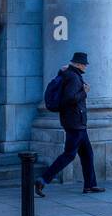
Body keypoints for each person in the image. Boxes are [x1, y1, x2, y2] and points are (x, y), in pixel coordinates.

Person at [36, 52, 105, 196]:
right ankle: (43, 180)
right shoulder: (73, 77)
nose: (86, 66)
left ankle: (90, 185)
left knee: (87, 154)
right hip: (75, 123)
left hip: (76, 122)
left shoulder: (69, 74)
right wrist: (84, 92)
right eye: (84, 64)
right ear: (79, 64)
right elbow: (69, 99)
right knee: (69, 154)